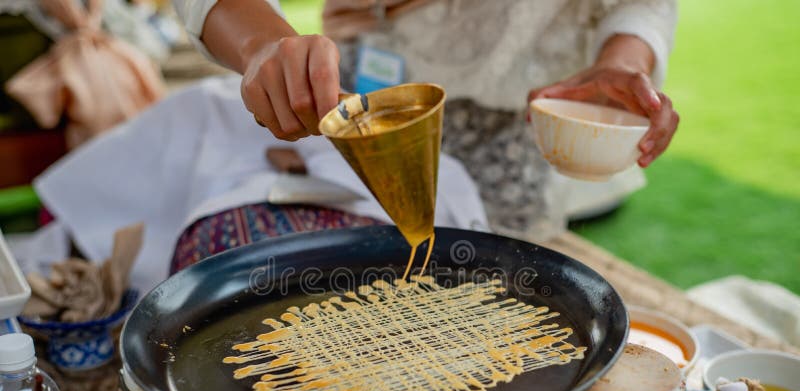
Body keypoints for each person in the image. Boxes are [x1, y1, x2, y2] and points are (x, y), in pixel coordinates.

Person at [168, 0, 678, 272]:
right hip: (372, 94)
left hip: (522, 111)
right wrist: (260, 43)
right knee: (354, 283)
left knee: (503, 299)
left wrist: (624, 61)